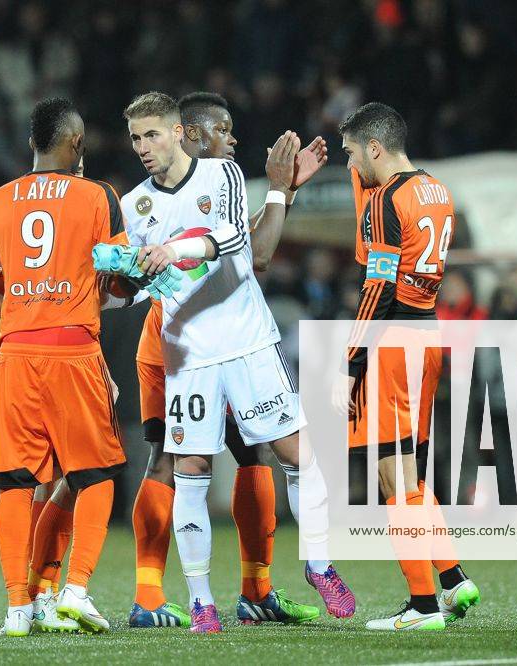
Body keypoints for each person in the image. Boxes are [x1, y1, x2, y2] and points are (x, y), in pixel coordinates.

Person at [110, 92, 353, 633]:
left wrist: (172, 251)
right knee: (190, 472)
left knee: (298, 455)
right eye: (135, 137)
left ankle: (318, 565)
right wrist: (111, 281)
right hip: (188, 356)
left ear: (178, 132)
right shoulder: (132, 206)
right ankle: (201, 603)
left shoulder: (221, 174)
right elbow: (132, 290)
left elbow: (233, 237)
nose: (143, 147)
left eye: (152, 134)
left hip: (247, 343)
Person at [0, 97, 139, 636]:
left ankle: (18, 606)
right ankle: (76, 591)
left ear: (32, 144)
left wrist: (23, 303)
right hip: (72, 350)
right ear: (77, 144)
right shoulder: (99, 196)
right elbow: (123, 278)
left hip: (14, 354)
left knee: (16, 482)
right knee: (97, 473)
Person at [337, 102, 479, 631]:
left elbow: (377, 286)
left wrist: (352, 361)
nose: (351, 166)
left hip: (391, 343)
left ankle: (422, 607)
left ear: (374, 148)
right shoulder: (436, 189)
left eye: (352, 155)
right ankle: (452, 578)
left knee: (392, 478)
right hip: (428, 336)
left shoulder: (386, 200)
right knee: (411, 474)